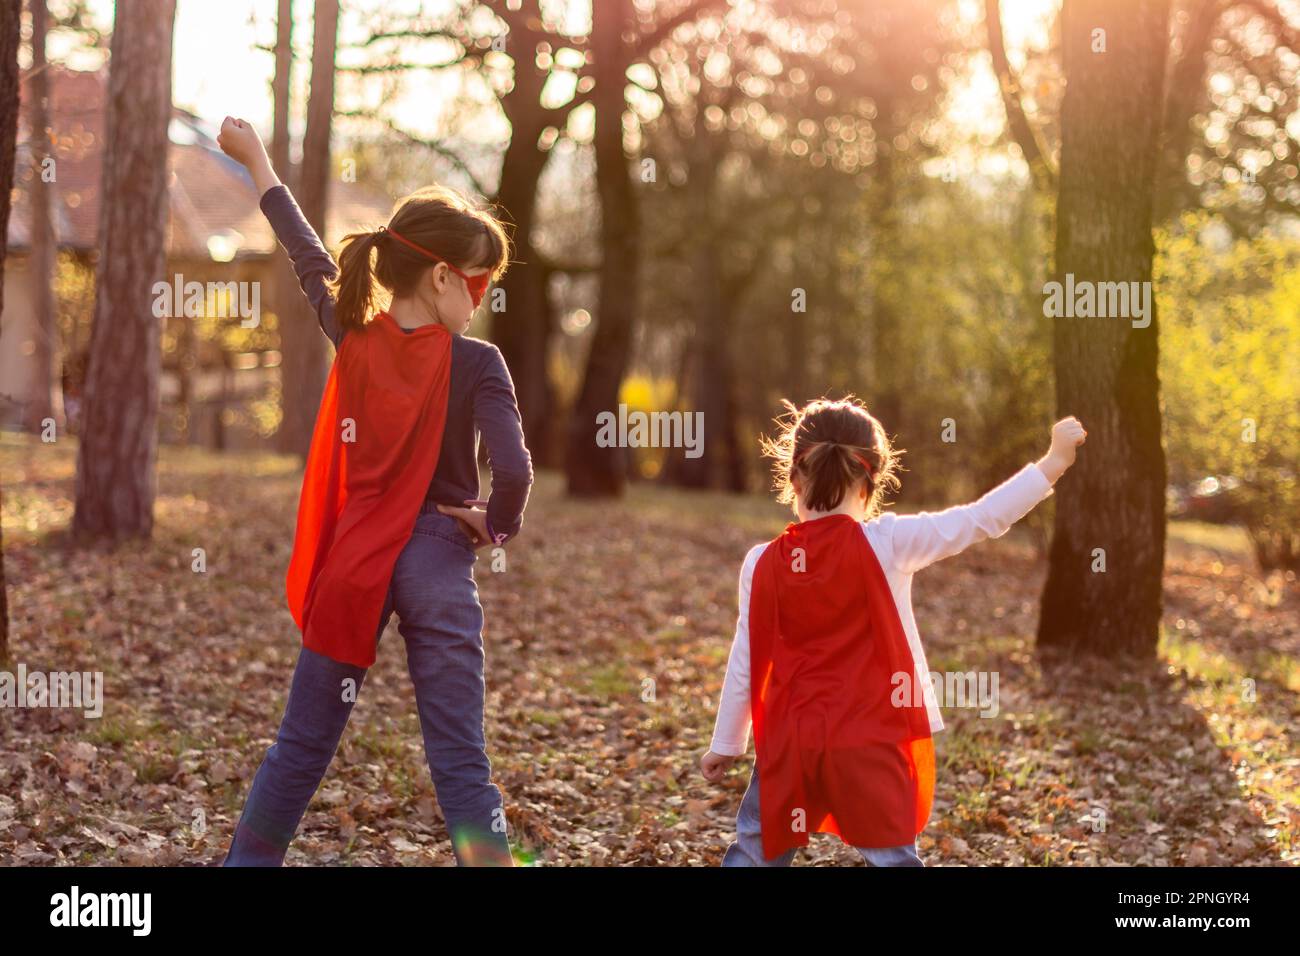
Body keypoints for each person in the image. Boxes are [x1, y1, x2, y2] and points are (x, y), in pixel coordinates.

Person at [216, 116, 532, 866]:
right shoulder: (480, 363)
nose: (481, 299)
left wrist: (258, 160)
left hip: (356, 563)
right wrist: (493, 524)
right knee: (460, 760)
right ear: (442, 277)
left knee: (300, 748)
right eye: (479, 282)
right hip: (436, 564)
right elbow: (515, 472)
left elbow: (307, 256)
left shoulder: (352, 336)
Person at [701, 396, 1086, 866]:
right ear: (870, 483)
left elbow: (745, 658)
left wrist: (726, 743)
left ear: (793, 478)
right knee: (892, 857)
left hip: (791, 738)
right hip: (869, 740)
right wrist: (1053, 462)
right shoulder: (888, 543)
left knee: (758, 851)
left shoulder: (761, 562)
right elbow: (981, 519)